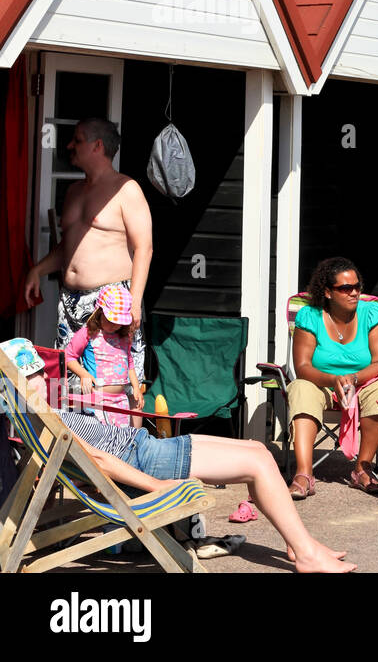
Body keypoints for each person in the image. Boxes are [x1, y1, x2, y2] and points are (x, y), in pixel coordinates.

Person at [1, 338, 355, 573]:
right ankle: (305, 553)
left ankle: (299, 544)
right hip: (145, 459)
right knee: (259, 463)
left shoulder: (38, 415)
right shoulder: (44, 423)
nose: (38, 380)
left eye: (37, 372)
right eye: (28, 376)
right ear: (13, 384)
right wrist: (156, 486)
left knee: (260, 450)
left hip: (145, 448)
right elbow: (98, 462)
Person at [22, 118, 152, 377]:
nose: (70, 145)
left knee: (117, 385)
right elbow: (69, 247)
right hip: (69, 302)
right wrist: (37, 270)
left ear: (97, 146)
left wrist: (135, 302)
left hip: (110, 305)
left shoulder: (126, 190)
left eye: (78, 140)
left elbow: (144, 248)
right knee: (70, 384)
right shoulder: (73, 191)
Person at [286, 257, 378, 498]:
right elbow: (302, 366)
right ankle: (304, 474)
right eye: (346, 288)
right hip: (321, 384)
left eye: (357, 286)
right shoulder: (309, 316)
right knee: (300, 387)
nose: (354, 293)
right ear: (327, 292)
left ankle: (363, 469)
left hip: (363, 382)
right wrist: (332, 380)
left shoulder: (372, 313)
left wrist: (353, 378)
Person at [64, 286, 142, 426]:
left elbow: (129, 363)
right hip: (97, 399)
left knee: (120, 439)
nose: (115, 325)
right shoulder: (88, 333)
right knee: (101, 439)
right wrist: (83, 374)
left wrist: (136, 387)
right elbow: (68, 356)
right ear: (99, 312)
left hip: (121, 400)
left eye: (119, 322)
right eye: (111, 320)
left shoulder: (124, 337)